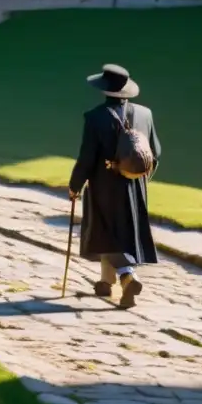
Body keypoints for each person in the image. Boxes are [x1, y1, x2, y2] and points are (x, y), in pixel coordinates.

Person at [68, 64, 161, 309]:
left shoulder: (95, 117)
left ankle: (128, 276)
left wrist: (74, 186)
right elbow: (156, 153)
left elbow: (87, 158)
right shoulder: (145, 114)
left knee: (106, 233)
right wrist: (141, 179)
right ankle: (105, 283)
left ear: (104, 90)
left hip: (104, 186)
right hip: (136, 185)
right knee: (123, 233)